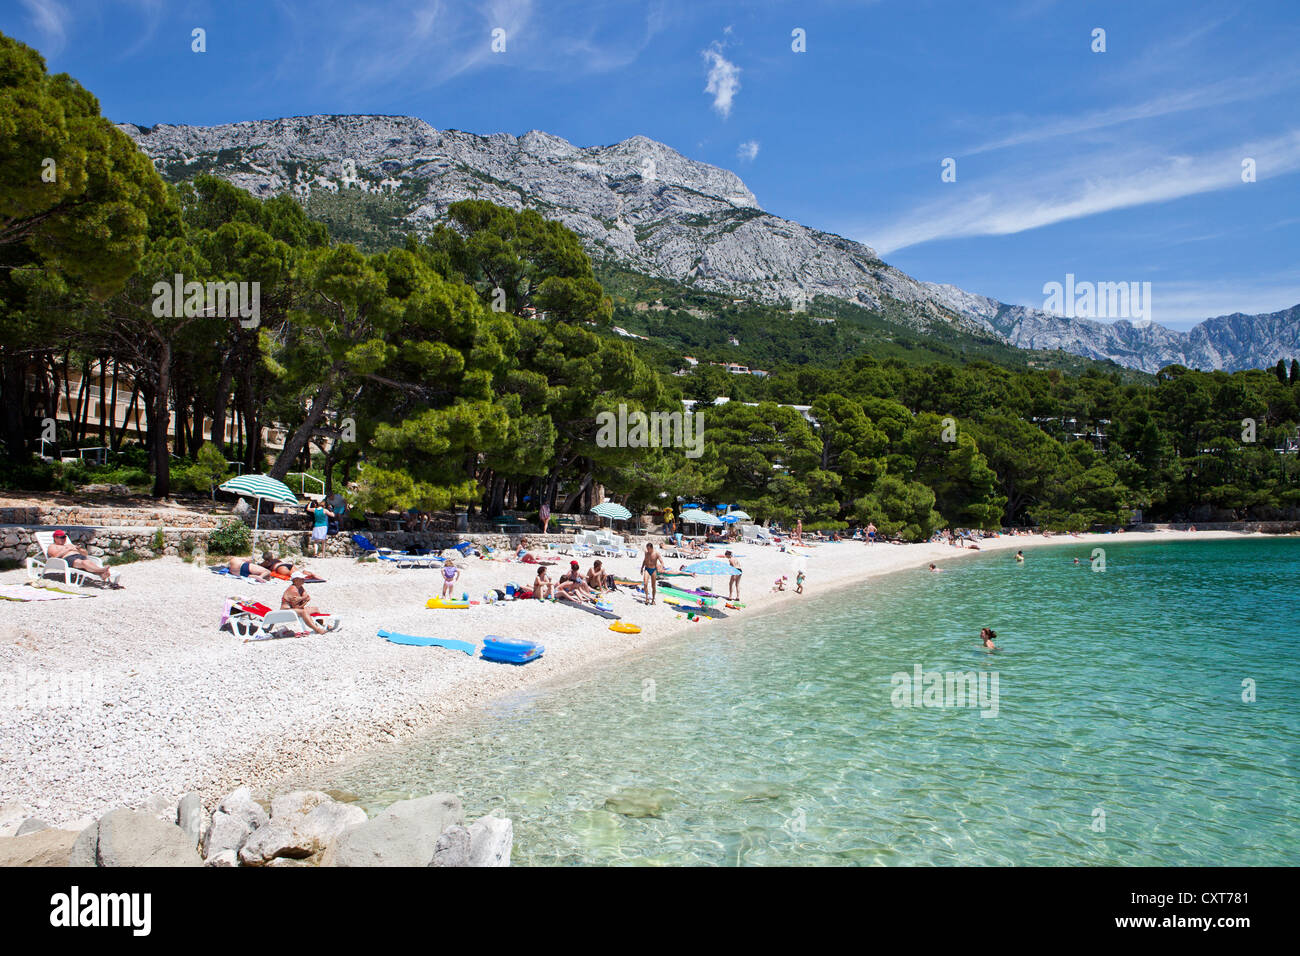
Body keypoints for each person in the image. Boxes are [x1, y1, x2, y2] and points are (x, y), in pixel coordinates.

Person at [46, 529, 120, 587]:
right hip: (69, 559)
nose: (63, 539)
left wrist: (79, 549)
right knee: (84, 563)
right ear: (55, 538)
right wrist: (67, 550)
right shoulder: (52, 546)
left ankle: (101, 573)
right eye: (61, 537)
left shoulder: (69, 544)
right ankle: (101, 570)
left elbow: (86, 553)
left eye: (64, 537)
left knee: (87, 562)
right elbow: (55, 556)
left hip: (79, 556)